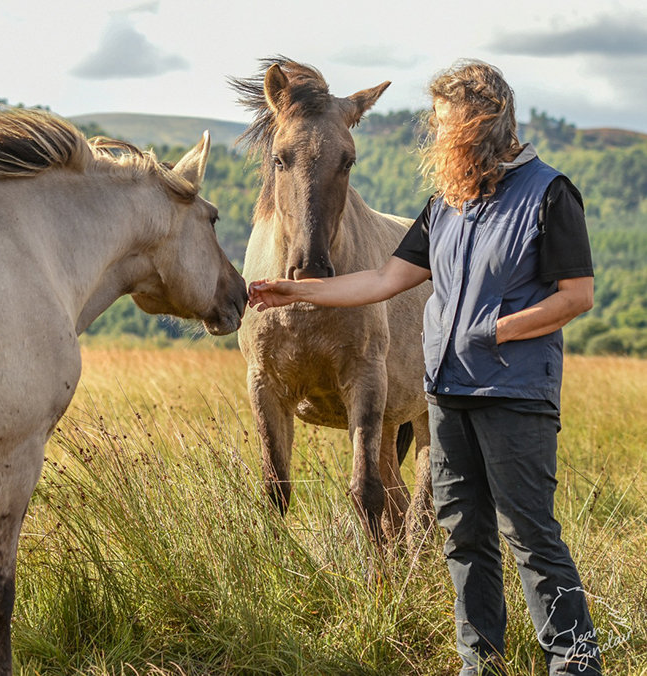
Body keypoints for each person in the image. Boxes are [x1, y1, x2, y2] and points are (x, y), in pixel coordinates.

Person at [247, 59, 600, 676]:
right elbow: (384, 279)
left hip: (514, 394)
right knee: (463, 536)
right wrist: (296, 290)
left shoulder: (550, 193)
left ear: (482, 122)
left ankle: (575, 663)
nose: (436, 136)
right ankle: (480, 663)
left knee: (530, 536)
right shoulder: (446, 206)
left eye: (445, 124)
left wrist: (495, 330)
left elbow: (577, 296)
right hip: (449, 394)